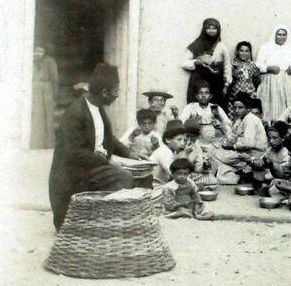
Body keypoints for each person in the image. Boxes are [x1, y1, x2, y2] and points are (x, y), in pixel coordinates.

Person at [47, 63, 136, 229]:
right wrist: (109, 163)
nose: (117, 96)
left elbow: (108, 139)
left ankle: (107, 221)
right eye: (115, 92)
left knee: (138, 174)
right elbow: (75, 153)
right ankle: (104, 224)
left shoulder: (97, 108)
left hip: (91, 169)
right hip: (74, 177)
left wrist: (130, 154)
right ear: (104, 92)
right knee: (123, 176)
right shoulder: (74, 113)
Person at [255, 24, 291, 124]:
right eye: (279, 34)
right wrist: (268, 68)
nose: (282, 37)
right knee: (271, 106)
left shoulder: (290, 49)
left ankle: (284, 125)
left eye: (284, 35)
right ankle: (270, 125)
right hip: (270, 81)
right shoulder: (266, 47)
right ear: (274, 35)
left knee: (286, 104)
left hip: (286, 81)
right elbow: (258, 64)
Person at [181, 18, 232, 108]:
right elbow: (184, 63)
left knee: (217, 107)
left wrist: (226, 84)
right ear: (204, 29)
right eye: (209, 28)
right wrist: (197, 62)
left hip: (216, 83)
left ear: (218, 30)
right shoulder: (197, 44)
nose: (211, 31)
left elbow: (227, 66)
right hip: (199, 80)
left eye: (214, 28)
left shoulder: (221, 46)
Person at [252, 121, 291, 194]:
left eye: (275, 138)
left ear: (283, 138)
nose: (271, 141)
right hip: (271, 177)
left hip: (283, 180)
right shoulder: (270, 150)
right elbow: (262, 160)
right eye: (269, 138)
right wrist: (255, 162)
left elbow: (282, 174)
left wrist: (272, 164)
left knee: (274, 186)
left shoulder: (287, 153)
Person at [30, 44, 59, 149]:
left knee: (48, 116)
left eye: (41, 51)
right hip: (34, 90)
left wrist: (55, 96)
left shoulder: (50, 61)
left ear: (45, 52)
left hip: (47, 89)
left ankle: (49, 145)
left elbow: (55, 79)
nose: (39, 53)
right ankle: (36, 145)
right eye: (37, 51)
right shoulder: (29, 60)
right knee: (37, 117)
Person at [181, 118, 219, 188]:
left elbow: (198, 166)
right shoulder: (180, 143)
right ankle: (193, 187)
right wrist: (186, 153)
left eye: (192, 136)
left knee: (213, 180)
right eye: (187, 136)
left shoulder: (196, 144)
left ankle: (193, 186)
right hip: (179, 173)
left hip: (191, 173)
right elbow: (177, 166)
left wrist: (204, 166)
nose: (189, 139)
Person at [150, 119, 188, 185]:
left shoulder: (172, 151)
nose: (182, 143)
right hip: (154, 186)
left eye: (183, 140)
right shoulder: (164, 152)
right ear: (167, 140)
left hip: (162, 185)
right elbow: (175, 175)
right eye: (179, 140)